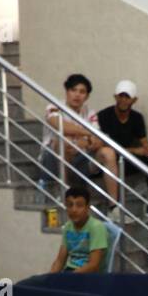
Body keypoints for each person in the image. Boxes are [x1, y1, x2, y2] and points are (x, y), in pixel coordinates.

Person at [40, 74, 121, 223]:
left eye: (82, 92)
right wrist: (87, 134)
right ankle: (63, 194)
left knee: (108, 152)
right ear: (67, 91)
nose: (77, 95)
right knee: (64, 141)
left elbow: (98, 141)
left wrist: (86, 140)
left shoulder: (90, 113)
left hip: (80, 162)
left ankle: (113, 207)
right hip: (53, 161)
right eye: (73, 90)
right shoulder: (53, 106)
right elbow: (60, 126)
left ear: (87, 96)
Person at [96, 80, 148, 219]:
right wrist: (135, 151)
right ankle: (114, 206)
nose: (123, 100)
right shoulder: (104, 116)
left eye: (127, 97)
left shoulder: (137, 118)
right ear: (115, 97)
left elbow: (144, 144)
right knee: (110, 154)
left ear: (134, 100)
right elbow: (102, 147)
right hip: (109, 160)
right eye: (121, 96)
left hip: (126, 159)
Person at [49, 185, 110, 274]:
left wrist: (70, 278)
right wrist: (49, 278)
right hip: (70, 271)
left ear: (87, 207)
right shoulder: (67, 227)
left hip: (91, 276)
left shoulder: (96, 227)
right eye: (70, 205)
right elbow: (59, 261)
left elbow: (94, 265)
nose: (74, 210)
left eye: (79, 205)